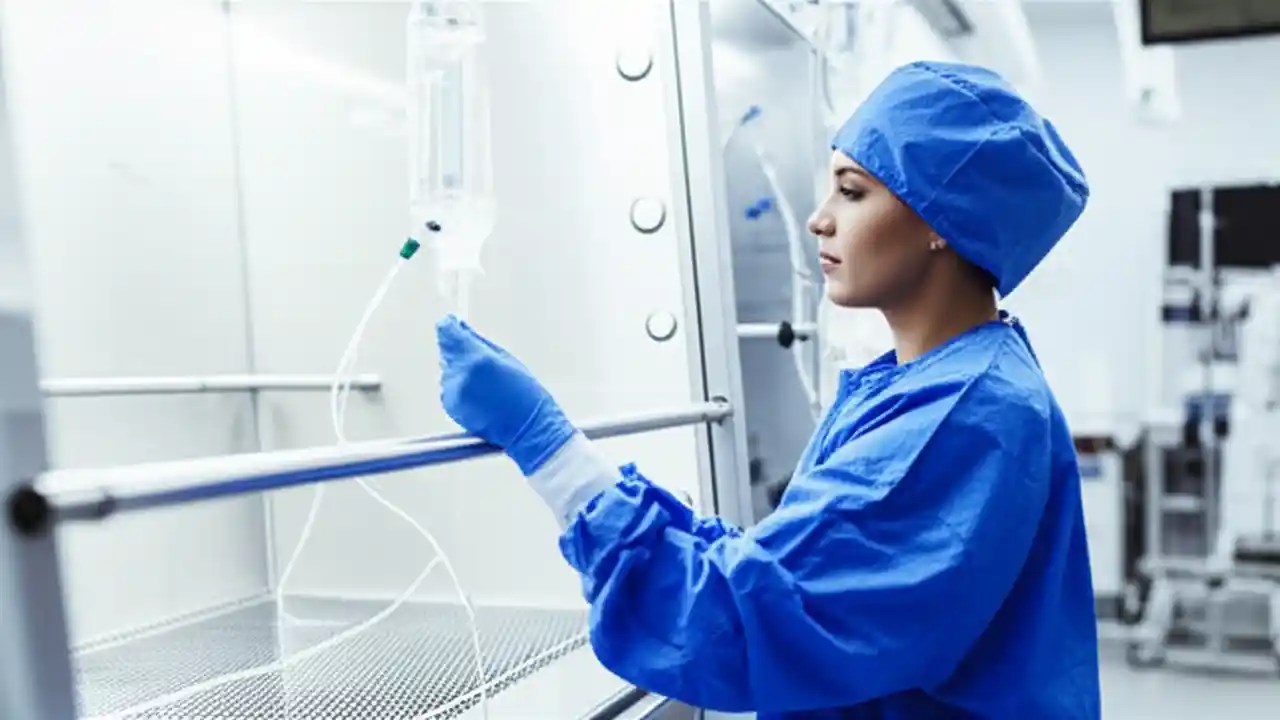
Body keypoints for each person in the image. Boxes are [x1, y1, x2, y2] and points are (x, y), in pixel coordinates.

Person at [436, 61, 1100, 719]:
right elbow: (781, 567)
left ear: (941, 220)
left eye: (852, 191)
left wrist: (546, 447)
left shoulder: (964, 416)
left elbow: (741, 620)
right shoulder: (938, 384)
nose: (819, 219)